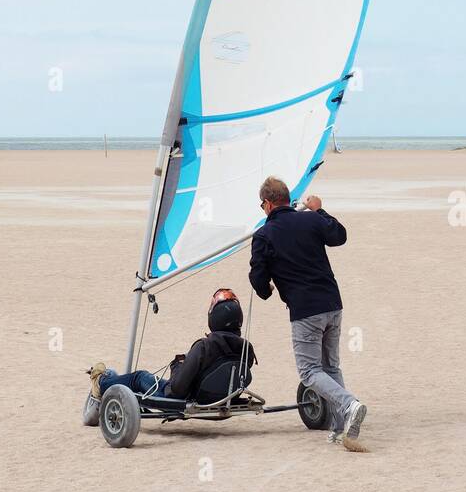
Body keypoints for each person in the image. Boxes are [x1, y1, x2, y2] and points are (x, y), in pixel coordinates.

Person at [249, 175, 367, 451]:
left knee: (310, 371)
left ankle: (350, 405)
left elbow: (258, 278)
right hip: (332, 304)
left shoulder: (264, 235)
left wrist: (267, 290)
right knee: (330, 366)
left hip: (305, 311)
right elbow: (339, 235)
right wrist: (319, 210)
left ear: (267, 204)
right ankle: (340, 429)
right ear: (288, 200)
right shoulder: (311, 219)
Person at [85, 288, 256, 418]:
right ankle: (111, 379)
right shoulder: (247, 349)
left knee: (139, 377)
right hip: (219, 396)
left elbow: (177, 389)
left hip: (184, 398)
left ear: (214, 318)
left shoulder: (204, 347)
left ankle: (102, 381)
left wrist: (176, 367)